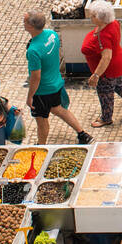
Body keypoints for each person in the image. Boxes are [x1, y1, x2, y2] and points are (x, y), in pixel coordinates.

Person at [24, 11, 93, 146]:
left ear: (31, 27)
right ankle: (82, 134)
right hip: (56, 83)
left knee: (42, 120)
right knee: (58, 109)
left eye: (25, 22)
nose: (23, 24)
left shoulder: (33, 50)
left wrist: (30, 96)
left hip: (42, 90)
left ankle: (41, 146)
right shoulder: (52, 35)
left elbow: (36, 76)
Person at [83, 0, 122, 127]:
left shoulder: (104, 36)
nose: (91, 17)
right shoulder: (113, 23)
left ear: (101, 19)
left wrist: (96, 75)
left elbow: (106, 58)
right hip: (118, 63)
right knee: (118, 84)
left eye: (93, 16)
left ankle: (106, 118)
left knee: (105, 93)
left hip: (108, 70)